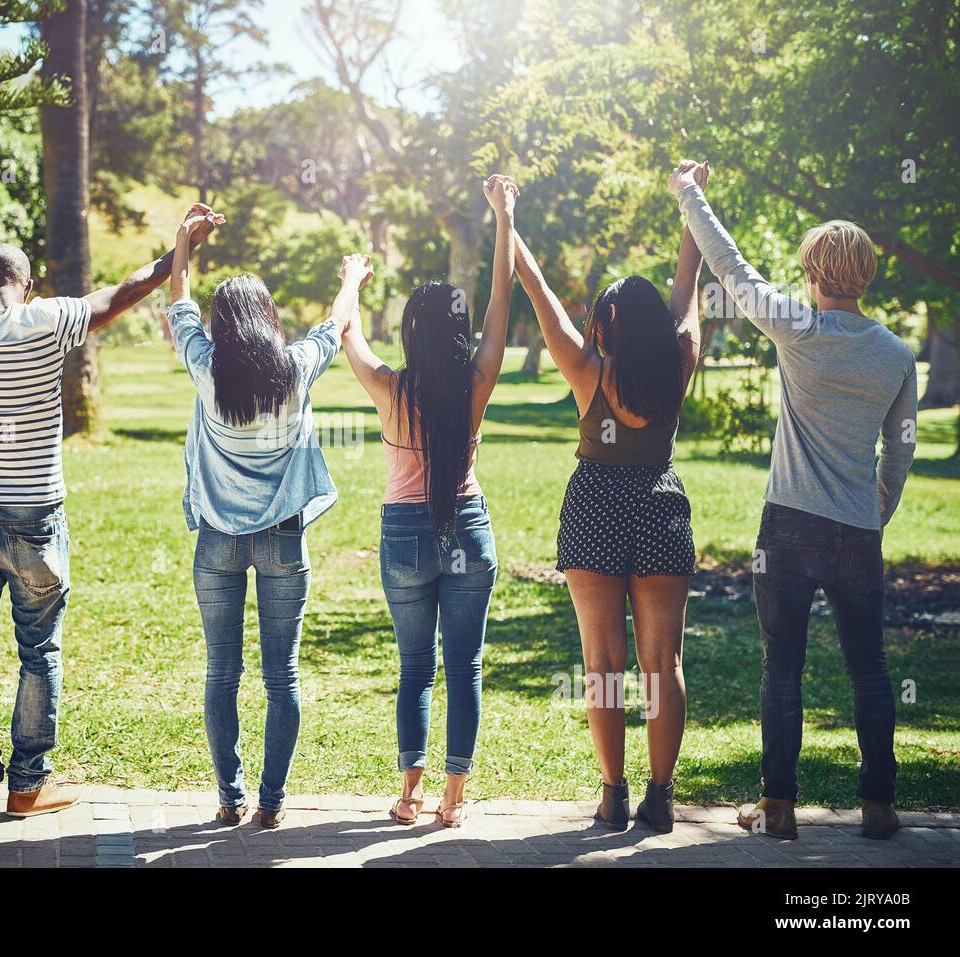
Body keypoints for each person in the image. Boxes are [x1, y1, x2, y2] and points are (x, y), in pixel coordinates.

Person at [0, 161, 221, 817]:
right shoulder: (49, 319)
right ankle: (30, 785)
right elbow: (122, 293)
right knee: (40, 651)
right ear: (27, 285)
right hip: (38, 518)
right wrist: (181, 248)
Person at [672, 161, 916, 841]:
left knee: (783, 665)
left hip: (788, 529)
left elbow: (730, 265)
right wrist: (874, 513)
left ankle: (777, 808)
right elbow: (900, 450)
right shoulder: (896, 354)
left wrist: (689, 192)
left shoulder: (795, 327)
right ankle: (880, 805)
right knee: (870, 667)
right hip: (856, 533)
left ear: (813, 270)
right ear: (865, 274)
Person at [512, 162, 708, 833]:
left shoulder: (586, 368)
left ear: (604, 326)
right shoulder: (681, 354)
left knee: (602, 662)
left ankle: (613, 793)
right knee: (663, 662)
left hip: (594, 501)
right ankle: (660, 794)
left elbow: (535, 288)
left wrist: (506, 217)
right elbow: (688, 284)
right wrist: (691, 198)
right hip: (660, 500)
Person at [339, 174, 518, 828]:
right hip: (467, 527)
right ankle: (453, 799)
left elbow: (345, 335)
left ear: (412, 333)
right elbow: (502, 295)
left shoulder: (390, 388)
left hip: (405, 534)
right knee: (463, 667)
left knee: (416, 667)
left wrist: (351, 283)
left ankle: (409, 796)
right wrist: (504, 217)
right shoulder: (478, 380)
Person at [167, 203, 350, 830]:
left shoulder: (206, 372)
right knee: (282, 675)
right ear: (269, 320)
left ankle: (230, 796)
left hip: (217, 541)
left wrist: (183, 245)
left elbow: (178, 308)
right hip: (282, 542)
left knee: (222, 671)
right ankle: (270, 804)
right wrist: (351, 279)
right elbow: (334, 326)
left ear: (224, 325)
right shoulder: (295, 371)